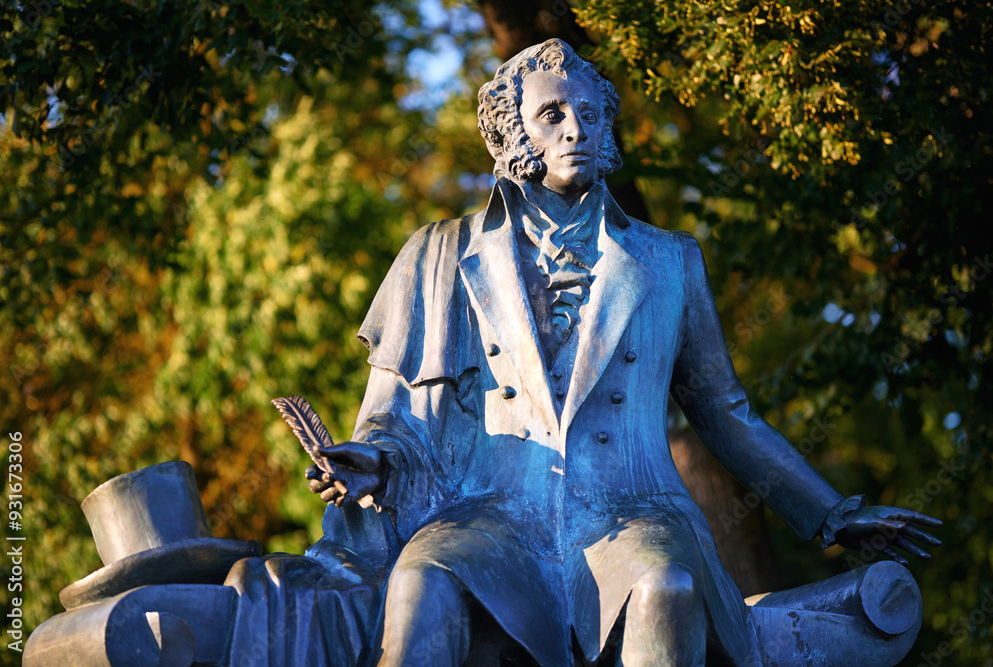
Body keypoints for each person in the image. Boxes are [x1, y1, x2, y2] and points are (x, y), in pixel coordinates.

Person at [307, 38, 940, 667]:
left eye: (589, 113)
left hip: (635, 508)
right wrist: (367, 462)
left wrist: (832, 514)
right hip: (492, 513)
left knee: (665, 585)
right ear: (513, 136)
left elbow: (725, 412)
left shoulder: (669, 261)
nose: (575, 129)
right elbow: (390, 415)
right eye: (551, 115)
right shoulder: (440, 252)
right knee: (422, 580)